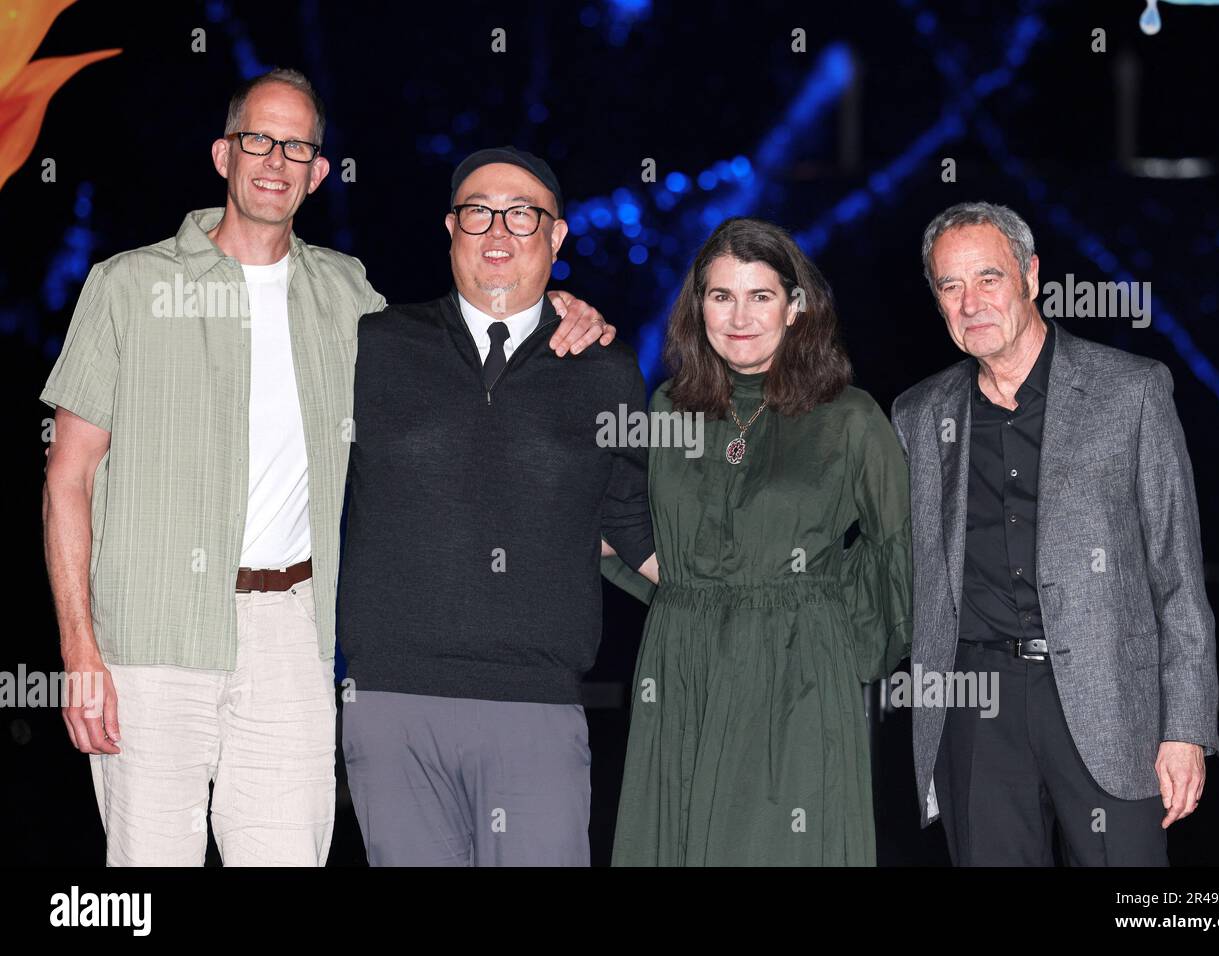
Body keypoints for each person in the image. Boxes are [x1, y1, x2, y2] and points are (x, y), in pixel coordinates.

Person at [40, 72, 611, 866]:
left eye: (297, 146)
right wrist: (79, 652)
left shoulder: (348, 296)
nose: (275, 160)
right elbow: (67, 479)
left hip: (293, 639)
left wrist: (561, 310)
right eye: (258, 140)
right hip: (150, 637)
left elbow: (458, 344)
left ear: (317, 172)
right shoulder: (128, 286)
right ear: (224, 155)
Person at [338, 147, 656, 867]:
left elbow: (630, 523)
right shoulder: (373, 345)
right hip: (390, 705)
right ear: (451, 228)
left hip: (537, 708)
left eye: (522, 215)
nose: (499, 231)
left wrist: (761, 594)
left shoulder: (606, 368)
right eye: (478, 212)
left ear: (557, 236)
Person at [892, 200, 1218, 866]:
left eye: (988, 278)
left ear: (1031, 275)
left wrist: (1185, 728)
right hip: (976, 705)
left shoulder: (1131, 391)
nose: (971, 303)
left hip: (1111, 703)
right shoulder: (918, 415)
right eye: (950, 286)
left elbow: (1178, 575)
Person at [601, 216, 912, 865]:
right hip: (683, 668)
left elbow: (901, 552)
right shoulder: (668, 408)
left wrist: (836, 646)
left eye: (760, 296)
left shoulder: (850, 417)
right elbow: (641, 534)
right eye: (722, 296)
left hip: (794, 677)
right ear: (698, 307)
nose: (739, 317)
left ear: (796, 307)